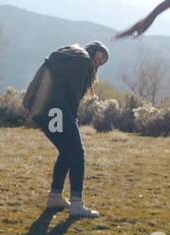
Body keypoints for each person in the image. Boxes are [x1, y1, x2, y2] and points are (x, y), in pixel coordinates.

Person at [23, 41, 110, 218]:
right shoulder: (83, 61)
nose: (100, 62)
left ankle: (55, 196)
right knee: (77, 152)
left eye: (103, 61)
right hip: (55, 107)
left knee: (67, 150)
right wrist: (72, 117)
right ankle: (77, 204)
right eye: (100, 57)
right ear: (92, 51)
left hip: (40, 108)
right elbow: (73, 94)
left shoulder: (71, 55)